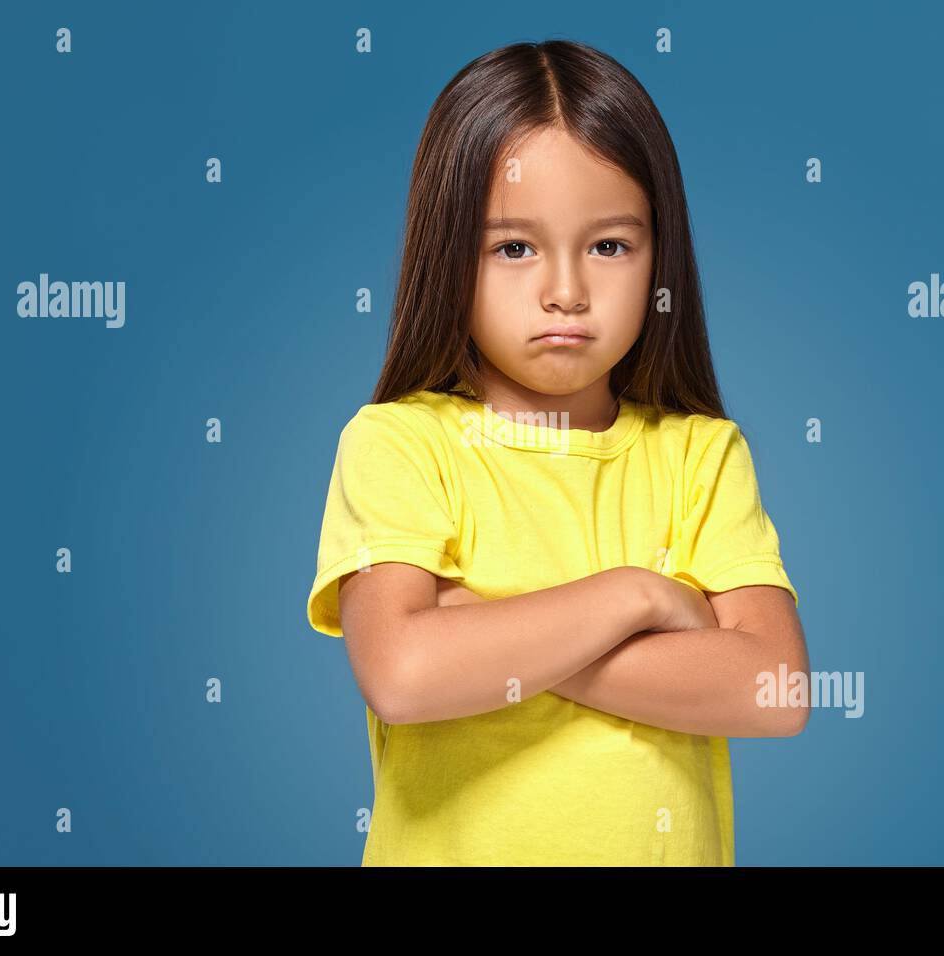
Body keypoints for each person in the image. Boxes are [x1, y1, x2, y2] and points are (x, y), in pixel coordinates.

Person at [306, 38, 809, 866]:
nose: (565, 290)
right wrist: (635, 598)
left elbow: (775, 692)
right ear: (447, 255)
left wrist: (483, 631)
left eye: (609, 246)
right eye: (513, 248)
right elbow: (402, 676)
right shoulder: (399, 443)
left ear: (660, 258)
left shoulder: (701, 456)